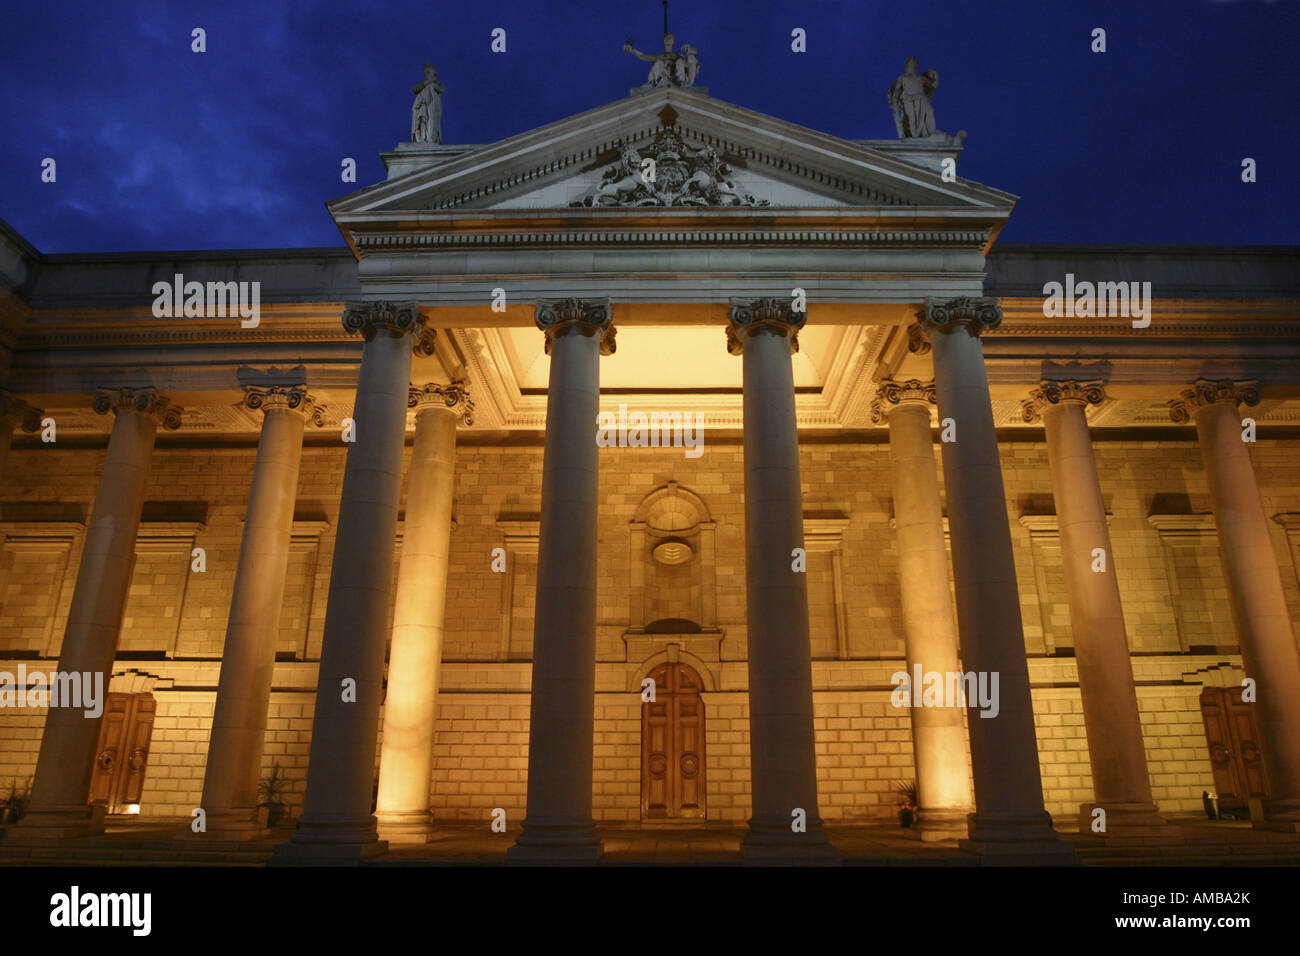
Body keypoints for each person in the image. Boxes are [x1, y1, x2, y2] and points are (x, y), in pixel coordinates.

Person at [888, 57, 938, 139]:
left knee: (930, 110)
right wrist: (895, 98)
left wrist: (936, 75)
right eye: (911, 63)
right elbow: (897, 89)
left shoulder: (921, 78)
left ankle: (929, 132)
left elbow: (934, 86)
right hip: (908, 99)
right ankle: (914, 137)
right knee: (912, 119)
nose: (914, 65)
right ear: (907, 66)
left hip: (921, 99)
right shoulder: (903, 77)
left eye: (915, 63)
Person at [411, 63, 444, 144]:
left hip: (433, 104)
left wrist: (433, 83)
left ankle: (430, 138)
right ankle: (422, 139)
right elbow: (415, 89)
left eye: (432, 73)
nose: (431, 74)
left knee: (432, 120)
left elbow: (442, 89)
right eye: (428, 72)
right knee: (422, 120)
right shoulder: (424, 83)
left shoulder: (437, 84)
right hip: (422, 104)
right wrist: (429, 82)